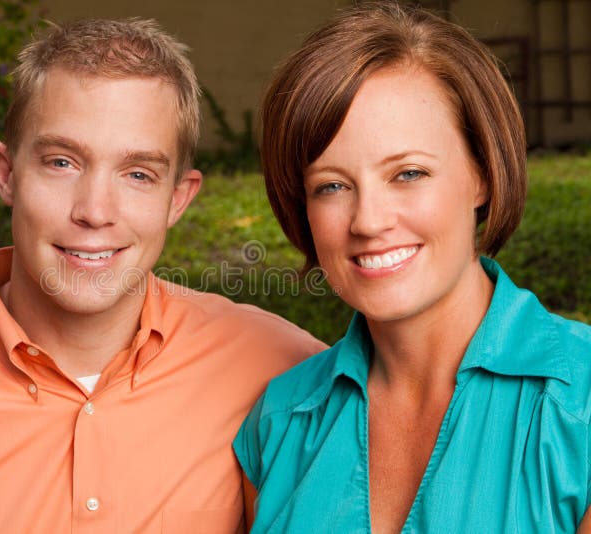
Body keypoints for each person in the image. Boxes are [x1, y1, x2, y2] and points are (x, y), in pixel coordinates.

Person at [0, 18, 324, 532]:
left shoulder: (282, 371)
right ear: (6, 173)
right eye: (62, 162)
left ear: (178, 199)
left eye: (138, 174)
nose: (94, 211)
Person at [233, 3, 591, 533]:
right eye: (331, 185)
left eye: (408, 173)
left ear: (482, 174)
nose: (368, 220)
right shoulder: (278, 423)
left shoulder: (581, 405)